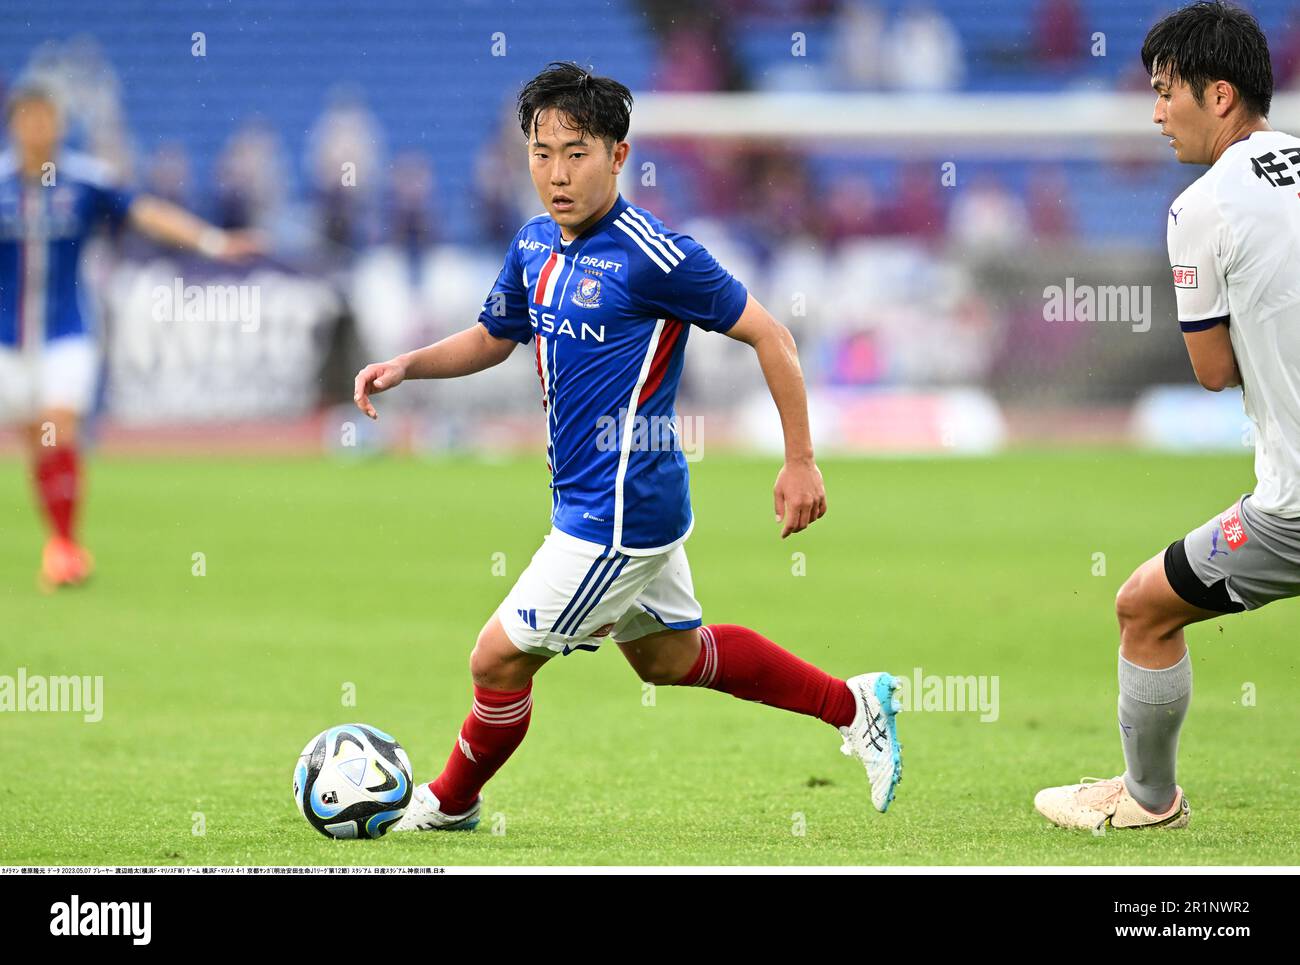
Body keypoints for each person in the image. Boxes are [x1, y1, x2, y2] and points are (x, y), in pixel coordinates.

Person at [352, 62, 904, 831]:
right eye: (542, 153)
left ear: (618, 154)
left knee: (496, 659)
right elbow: (494, 335)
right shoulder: (535, 245)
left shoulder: (656, 254)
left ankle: (448, 805)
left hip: (616, 516)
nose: (556, 172)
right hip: (606, 500)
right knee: (669, 658)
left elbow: (770, 335)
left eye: (576, 152)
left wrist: (800, 458)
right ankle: (854, 703)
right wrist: (409, 364)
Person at [1036, 1, 1298, 831]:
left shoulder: (1199, 208)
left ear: (1220, 96)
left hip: (1293, 505)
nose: (1154, 114)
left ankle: (1148, 799)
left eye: (1164, 91)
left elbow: (1214, 372)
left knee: (1144, 606)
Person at [0, 84, 260, 591]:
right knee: (38, 442)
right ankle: (61, 541)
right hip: (7, 339)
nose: (37, 128)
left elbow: (145, 212)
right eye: (28, 118)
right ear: (13, 124)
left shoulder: (83, 181)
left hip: (66, 331)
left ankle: (66, 549)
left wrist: (211, 240)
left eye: (46, 118)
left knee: (60, 424)